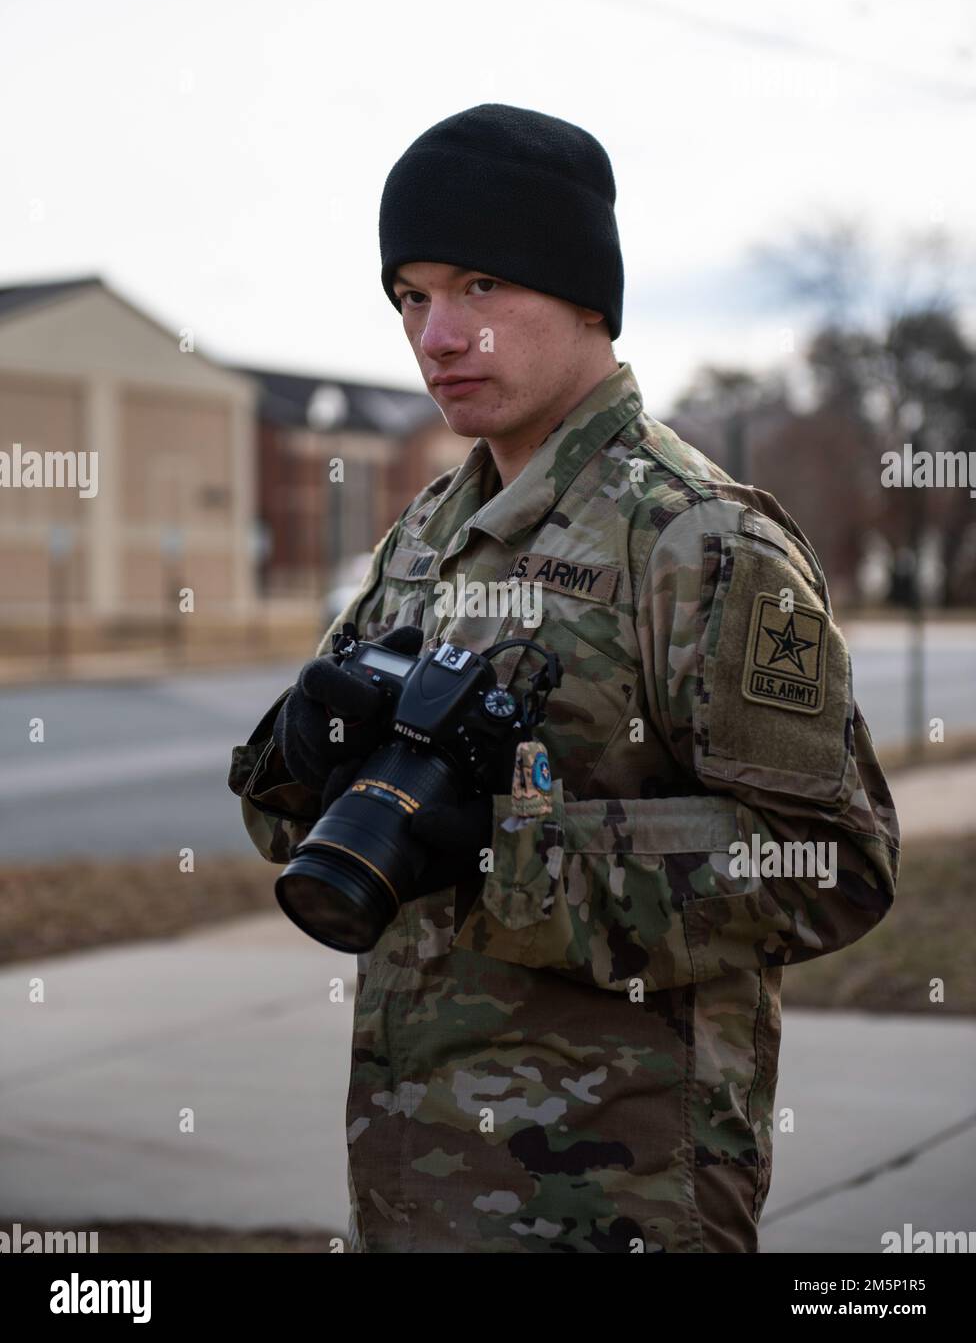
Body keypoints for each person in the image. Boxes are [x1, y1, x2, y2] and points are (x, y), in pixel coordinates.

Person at [228, 103, 899, 1254]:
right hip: (417, 1174)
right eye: (410, 295)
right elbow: (329, 822)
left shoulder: (699, 542)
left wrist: (508, 854)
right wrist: (300, 763)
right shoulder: (427, 533)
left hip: (614, 1197)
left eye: (480, 285)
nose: (438, 335)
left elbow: (830, 861)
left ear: (589, 299)